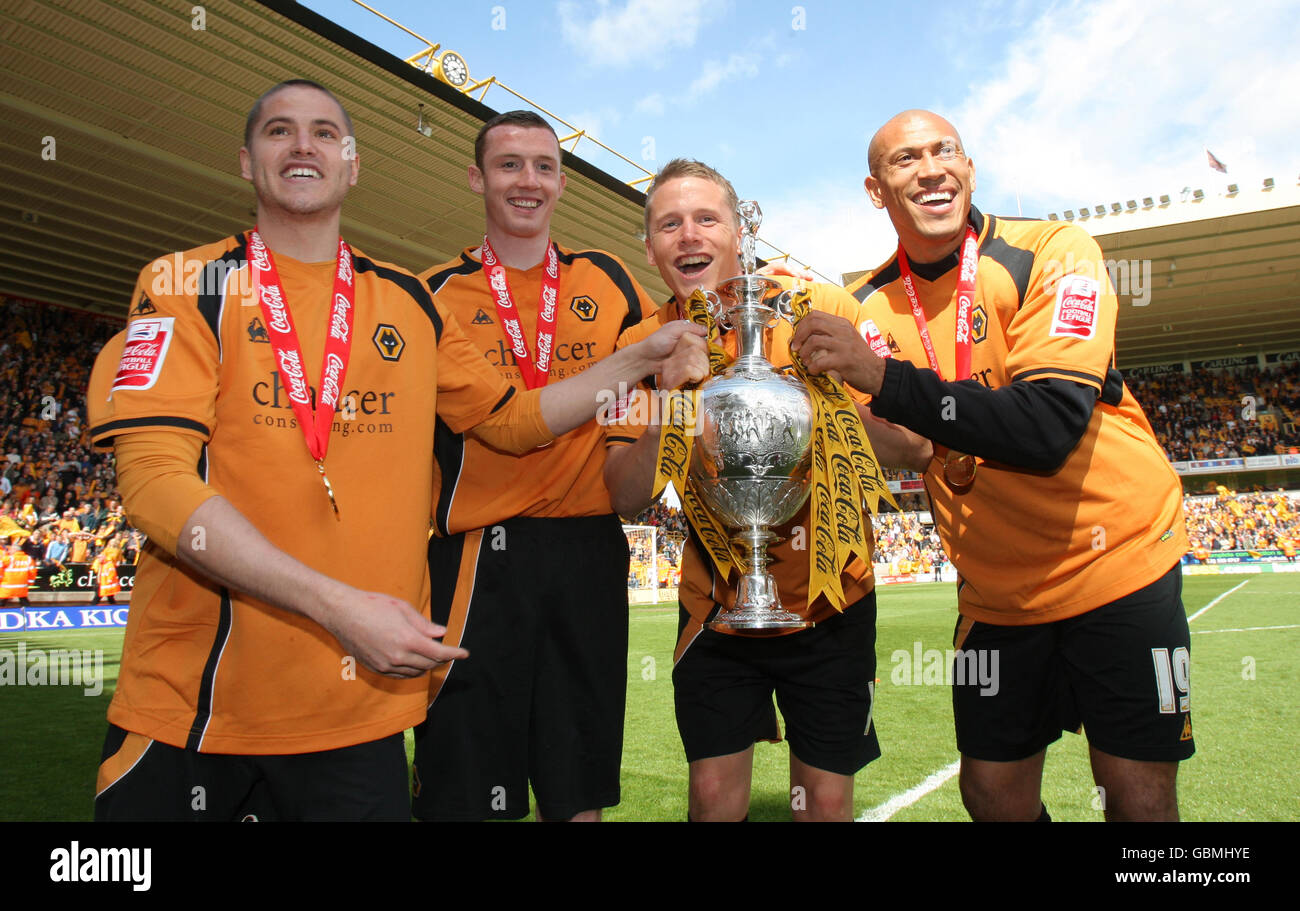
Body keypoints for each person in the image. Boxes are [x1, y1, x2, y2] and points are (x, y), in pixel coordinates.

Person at [85, 81, 704, 821]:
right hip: (195, 710)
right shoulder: (186, 285)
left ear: (353, 165)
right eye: (280, 132)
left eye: (325, 133)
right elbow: (153, 483)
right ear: (247, 161)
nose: (304, 145)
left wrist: (645, 357)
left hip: (358, 714)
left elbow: (511, 419)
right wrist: (336, 605)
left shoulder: (409, 302)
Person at [791, 110, 1192, 821]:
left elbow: (1046, 428)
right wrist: (802, 403)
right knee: (992, 793)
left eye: (946, 150)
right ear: (875, 189)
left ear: (970, 169)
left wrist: (881, 380)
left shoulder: (1056, 249)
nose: (931, 168)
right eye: (905, 159)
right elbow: (911, 446)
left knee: (1136, 795)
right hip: (998, 594)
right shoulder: (869, 308)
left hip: (1118, 563)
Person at [604, 159, 930, 821]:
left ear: (739, 229)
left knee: (824, 805)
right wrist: (668, 397)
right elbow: (621, 493)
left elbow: (917, 447)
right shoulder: (641, 343)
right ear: (650, 246)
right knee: (713, 803)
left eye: (706, 218)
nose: (689, 236)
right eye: (670, 223)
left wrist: (835, 393)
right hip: (715, 606)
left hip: (832, 599)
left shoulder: (823, 308)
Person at [410, 110, 686, 822]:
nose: (526, 180)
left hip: (587, 554)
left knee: (579, 790)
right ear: (477, 177)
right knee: (466, 791)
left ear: (562, 182)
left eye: (542, 166)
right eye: (508, 165)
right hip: (476, 561)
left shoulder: (615, 283)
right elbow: (506, 426)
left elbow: (688, 343)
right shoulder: (431, 293)